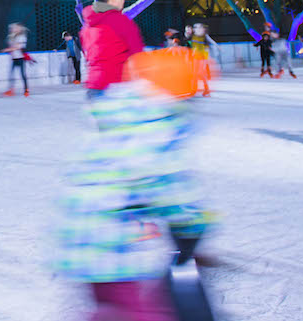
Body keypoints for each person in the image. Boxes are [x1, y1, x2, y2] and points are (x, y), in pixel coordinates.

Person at [57, 47, 211, 320]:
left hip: (78, 235)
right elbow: (171, 187)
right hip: (112, 247)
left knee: (115, 306)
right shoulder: (157, 128)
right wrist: (192, 223)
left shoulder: (119, 118)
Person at [80, 0, 146, 95]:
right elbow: (137, 56)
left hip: (93, 86)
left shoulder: (86, 26)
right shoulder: (121, 22)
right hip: (116, 89)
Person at [187, 23, 216, 97]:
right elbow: (188, 41)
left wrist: (206, 59)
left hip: (202, 58)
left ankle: (206, 90)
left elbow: (207, 48)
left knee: (201, 73)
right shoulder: (192, 36)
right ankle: (194, 90)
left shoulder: (204, 37)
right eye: (196, 28)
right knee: (194, 74)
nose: (197, 29)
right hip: (195, 57)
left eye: (199, 28)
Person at [3, 22, 30, 96]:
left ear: (19, 29)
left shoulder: (22, 37)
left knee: (22, 74)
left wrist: (7, 49)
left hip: (20, 58)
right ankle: (11, 90)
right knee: (11, 74)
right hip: (14, 58)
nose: (12, 29)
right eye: (12, 28)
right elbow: (11, 45)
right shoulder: (12, 37)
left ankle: (26, 90)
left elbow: (18, 47)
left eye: (14, 28)